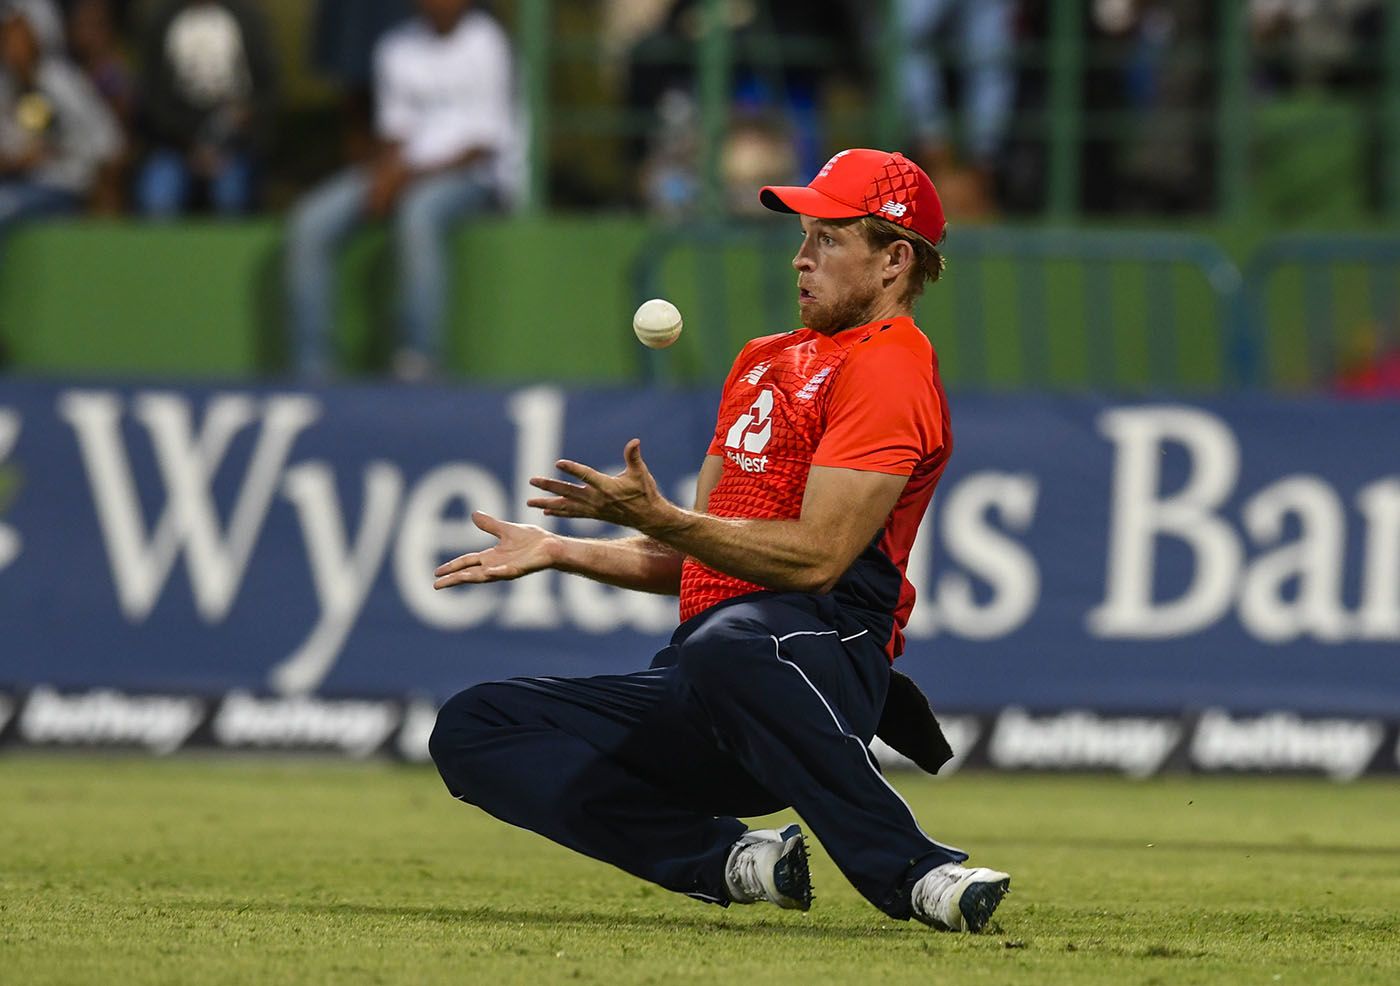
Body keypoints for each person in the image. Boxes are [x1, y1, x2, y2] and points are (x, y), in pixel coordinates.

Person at [428, 148, 1012, 932]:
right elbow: (704, 549)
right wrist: (563, 550)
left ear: (894, 262)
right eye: (803, 237)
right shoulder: (762, 359)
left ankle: (918, 872)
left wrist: (663, 517)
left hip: (824, 654)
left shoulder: (892, 366)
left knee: (732, 644)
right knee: (476, 725)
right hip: (713, 671)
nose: (802, 259)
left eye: (830, 240)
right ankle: (731, 861)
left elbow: (817, 558)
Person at [285, 0, 520, 381]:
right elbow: (395, 133)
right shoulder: (396, 46)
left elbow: (483, 143)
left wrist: (405, 178)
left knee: (418, 214)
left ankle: (419, 359)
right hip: (404, 171)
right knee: (310, 220)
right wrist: (385, 176)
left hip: (474, 177)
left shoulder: (487, 42)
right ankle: (312, 367)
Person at [134, 0, 276, 217]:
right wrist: (190, 145)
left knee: (231, 196)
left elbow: (268, 90)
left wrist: (242, 121)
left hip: (235, 147)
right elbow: (153, 98)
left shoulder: (247, 17)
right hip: (174, 145)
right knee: (157, 198)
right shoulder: (162, 19)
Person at [0, 7, 121, 230]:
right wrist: (19, 161)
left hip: (63, 188)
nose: (11, 47)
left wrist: (103, 195)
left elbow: (109, 141)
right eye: (6, 38)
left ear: (35, 36)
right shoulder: (5, 87)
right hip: (14, 185)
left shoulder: (62, 83)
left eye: (18, 37)